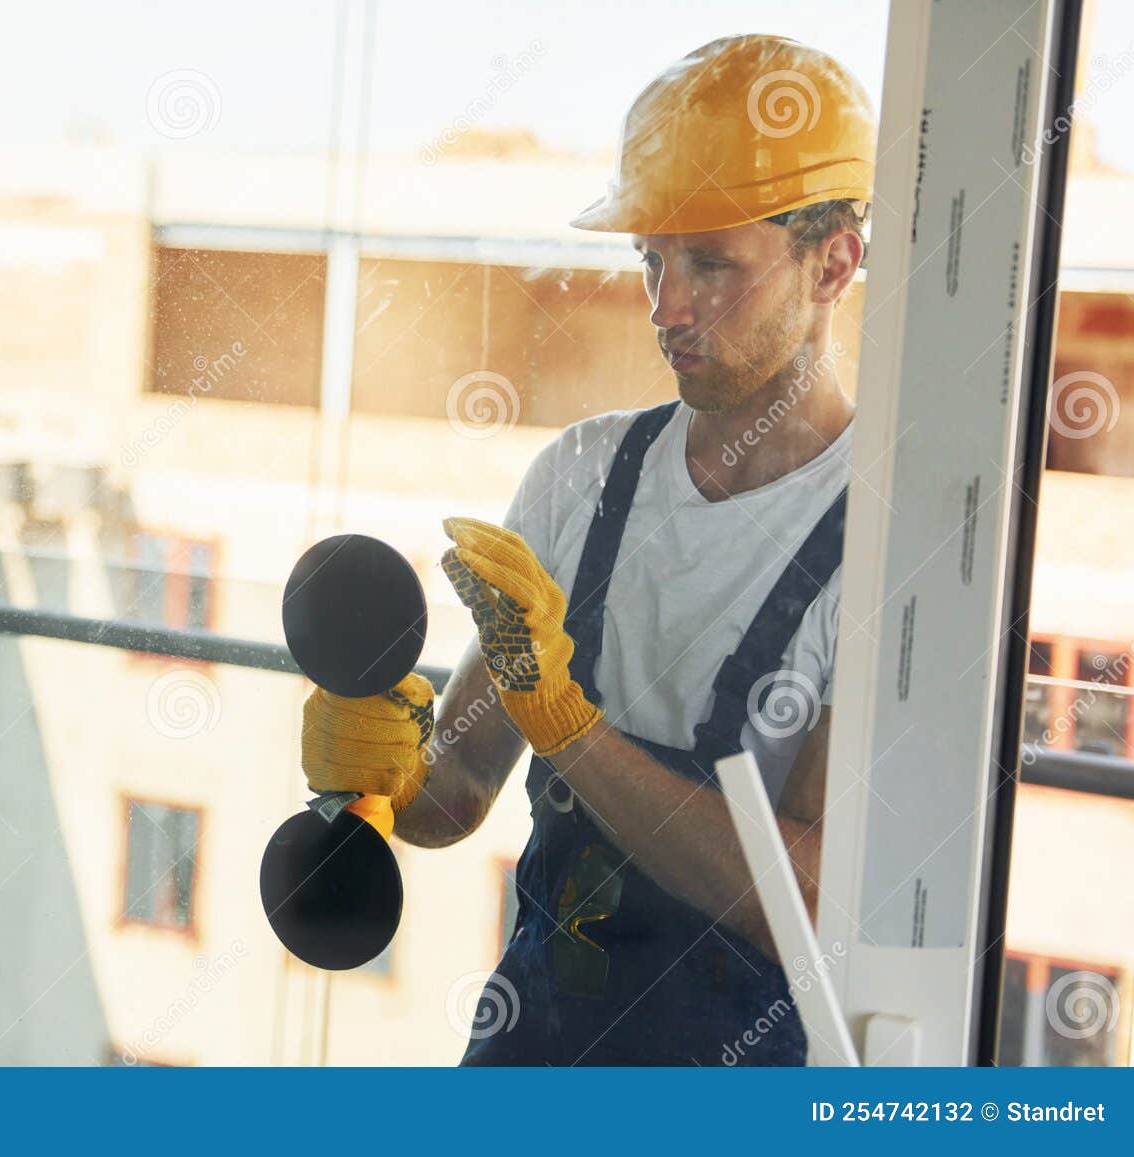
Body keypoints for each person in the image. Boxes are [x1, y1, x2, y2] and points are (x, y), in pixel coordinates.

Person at [300, 34, 876, 1065]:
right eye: (651, 259)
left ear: (832, 259)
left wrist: (570, 729)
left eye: (711, 264)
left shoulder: (875, 539)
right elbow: (461, 786)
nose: (666, 308)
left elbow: (809, 895)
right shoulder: (582, 477)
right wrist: (374, 775)